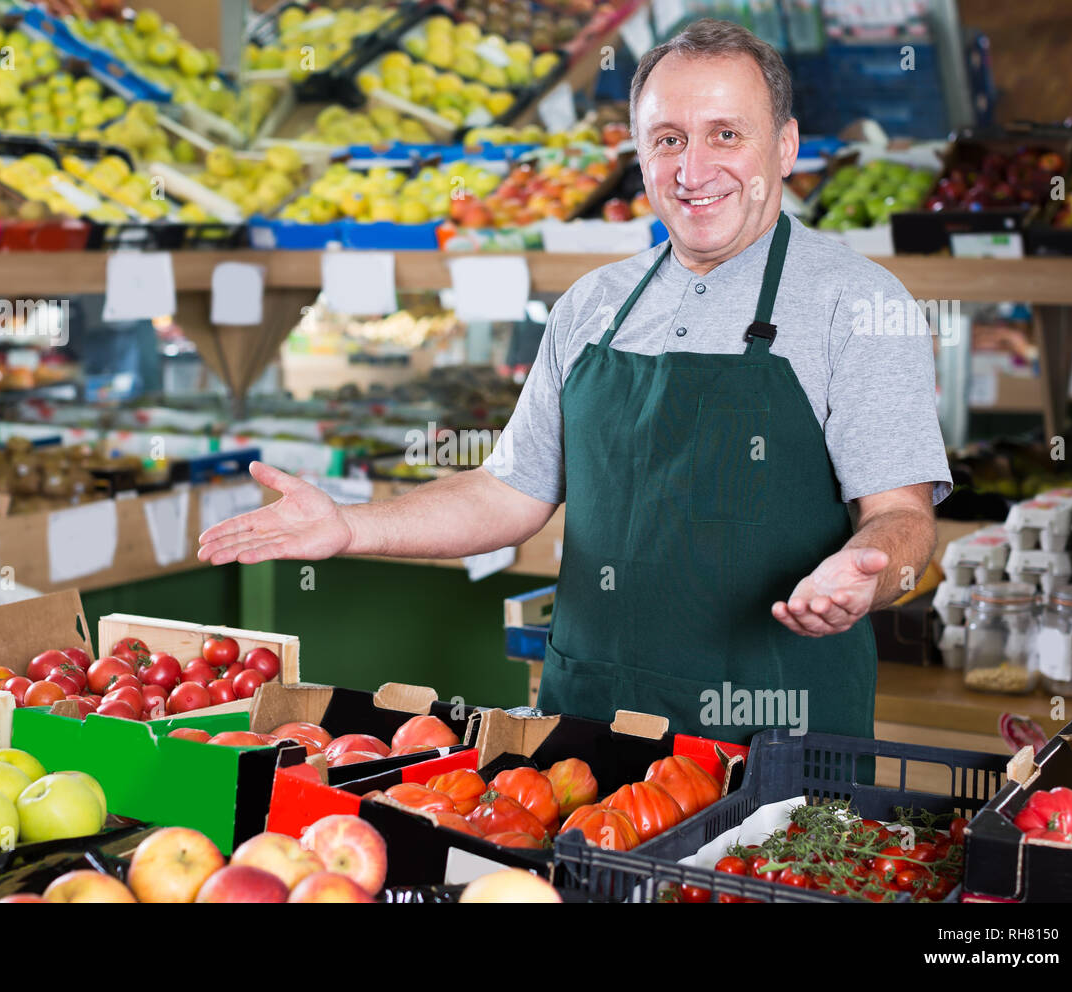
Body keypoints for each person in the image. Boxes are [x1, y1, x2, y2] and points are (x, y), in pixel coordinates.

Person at [198, 19, 951, 744]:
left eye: (727, 134)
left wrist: (871, 572)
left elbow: (905, 518)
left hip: (775, 742)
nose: (693, 170)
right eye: (668, 140)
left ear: (784, 146)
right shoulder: (591, 305)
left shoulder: (858, 303)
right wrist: (354, 525)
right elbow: (509, 492)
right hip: (588, 733)